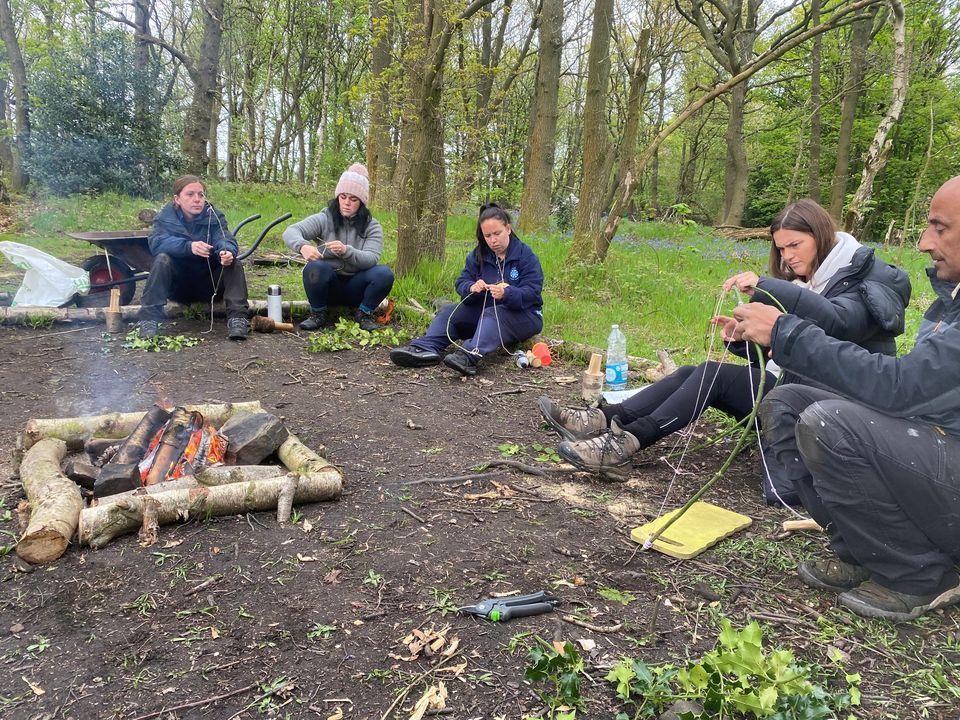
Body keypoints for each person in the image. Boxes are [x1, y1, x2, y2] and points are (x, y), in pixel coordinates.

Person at [540, 199, 910, 500]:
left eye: (795, 245)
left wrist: (769, 286)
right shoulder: (814, 280)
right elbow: (789, 356)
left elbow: (839, 324)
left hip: (836, 403)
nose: (788, 258)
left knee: (710, 376)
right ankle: (606, 419)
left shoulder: (865, 278)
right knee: (694, 371)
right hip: (796, 385)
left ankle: (623, 447)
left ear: (822, 235)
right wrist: (745, 340)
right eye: (781, 249)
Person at [730, 177, 960, 621]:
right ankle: (862, 551)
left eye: (940, 227)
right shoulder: (952, 299)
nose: (923, 242)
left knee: (829, 423)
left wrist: (783, 329)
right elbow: (922, 393)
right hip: (942, 444)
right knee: (786, 403)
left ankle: (920, 574)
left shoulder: (866, 280)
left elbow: (899, 387)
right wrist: (757, 338)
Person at [390, 203, 544, 376]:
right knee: (450, 312)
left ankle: (469, 356)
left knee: (494, 313)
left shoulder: (526, 255)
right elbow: (462, 281)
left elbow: (533, 292)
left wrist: (508, 293)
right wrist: (471, 287)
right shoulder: (479, 254)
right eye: (488, 236)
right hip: (486, 315)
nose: (493, 240)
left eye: (497, 233)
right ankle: (424, 349)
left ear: (508, 229)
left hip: (525, 316)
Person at [282, 163, 394, 332]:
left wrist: (346, 251)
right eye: (343, 197)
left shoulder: (372, 226)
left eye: (353, 199)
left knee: (384, 274)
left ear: (362, 202)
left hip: (357, 287)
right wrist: (303, 246)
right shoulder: (324, 218)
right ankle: (317, 314)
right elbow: (291, 231)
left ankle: (364, 314)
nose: (346, 203)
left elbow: (371, 258)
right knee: (315, 268)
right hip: (328, 285)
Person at [138, 175, 250, 340]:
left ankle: (238, 319)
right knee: (162, 259)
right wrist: (189, 246)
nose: (197, 199)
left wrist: (226, 251)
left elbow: (224, 237)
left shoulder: (214, 216)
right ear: (177, 199)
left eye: (201, 194)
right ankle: (149, 320)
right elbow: (157, 243)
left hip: (210, 286)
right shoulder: (165, 219)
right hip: (177, 287)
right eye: (190, 194)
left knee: (234, 262)